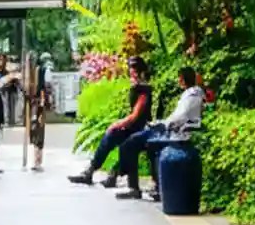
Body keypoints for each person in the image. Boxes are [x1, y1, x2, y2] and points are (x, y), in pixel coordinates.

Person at [115, 66, 205, 201]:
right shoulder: (191, 93)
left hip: (172, 132)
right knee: (134, 143)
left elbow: (181, 117)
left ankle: (133, 185)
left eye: (180, 78)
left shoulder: (193, 95)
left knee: (131, 143)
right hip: (168, 129)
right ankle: (149, 185)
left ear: (184, 79)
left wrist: (162, 124)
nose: (178, 81)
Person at [68, 56, 152, 188]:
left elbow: (135, 115)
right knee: (110, 136)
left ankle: (114, 173)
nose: (132, 73)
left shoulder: (144, 90)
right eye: (131, 70)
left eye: (135, 70)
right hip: (133, 127)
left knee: (125, 142)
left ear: (141, 71)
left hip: (140, 128)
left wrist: (118, 124)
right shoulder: (136, 87)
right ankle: (91, 171)